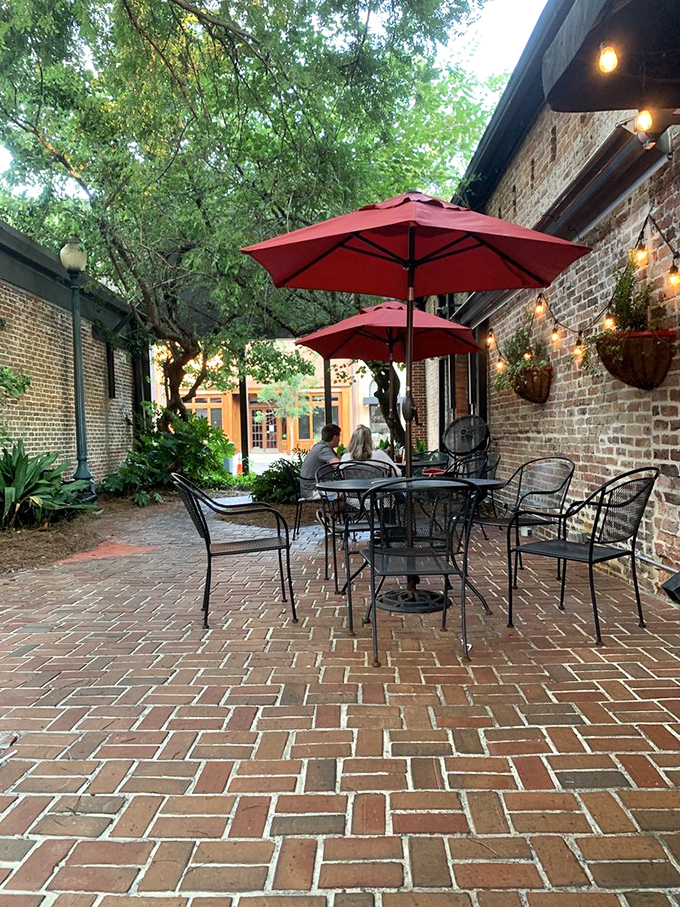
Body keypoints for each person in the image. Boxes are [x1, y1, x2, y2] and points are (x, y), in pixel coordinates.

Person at [299, 423, 341, 499]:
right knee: (345, 494)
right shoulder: (323, 449)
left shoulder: (321, 446)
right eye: (339, 436)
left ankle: (329, 510)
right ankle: (328, 510)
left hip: (311, 486)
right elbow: (339, 465)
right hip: (313, 490)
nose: (339, 440)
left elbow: (339, 459)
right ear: (335, 437)